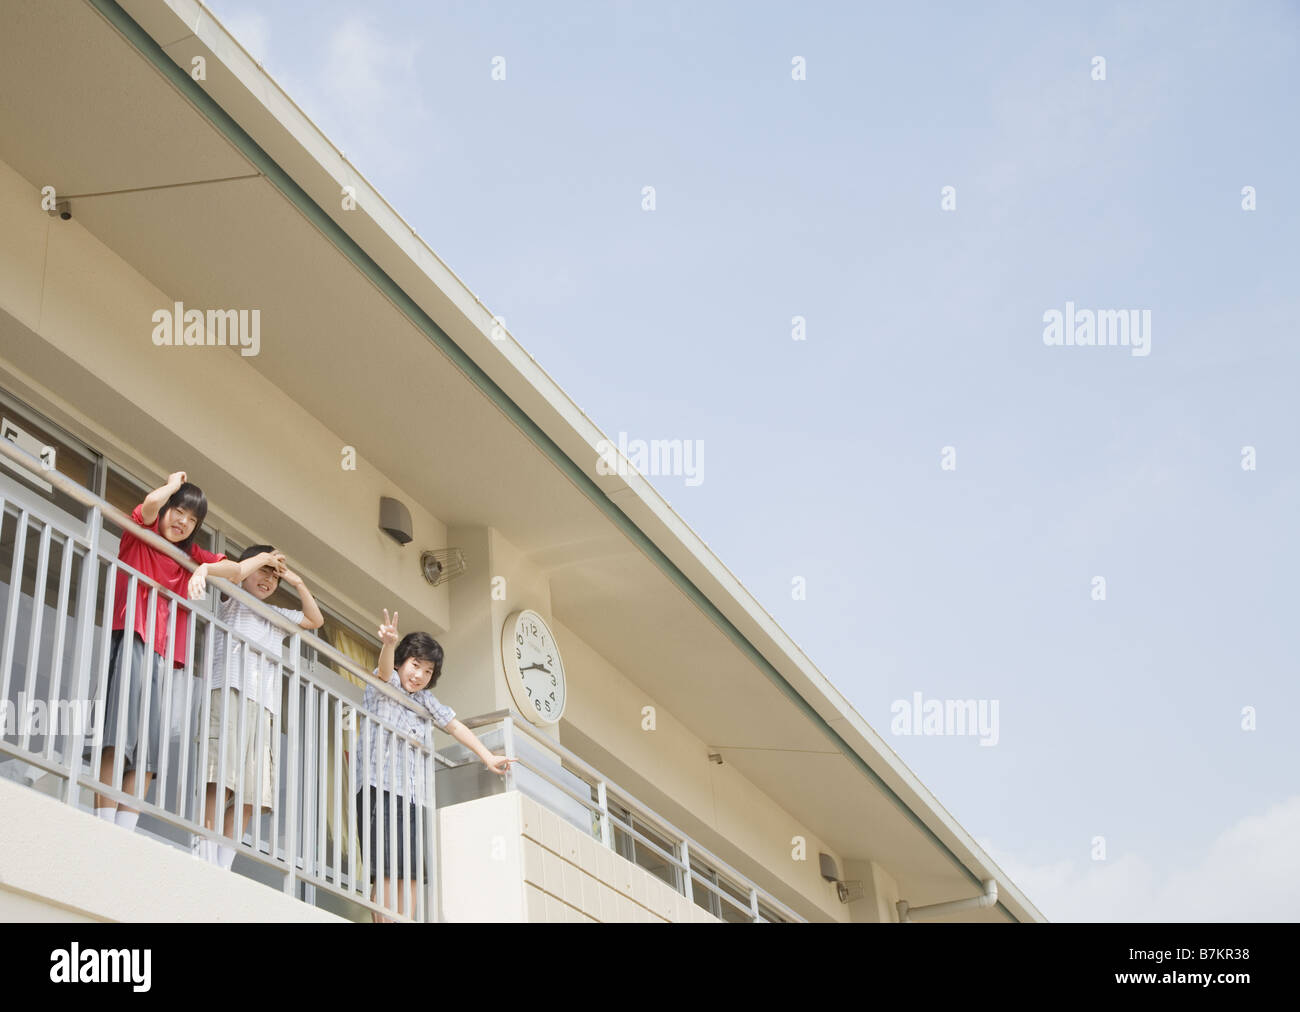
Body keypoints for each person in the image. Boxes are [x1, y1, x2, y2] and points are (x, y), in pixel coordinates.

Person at [92, 470, 246, 831]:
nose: (183, 522)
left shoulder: (188, 555)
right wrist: (172, 487)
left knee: (149, 746)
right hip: (133, 635)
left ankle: (124, 829)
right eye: (178, 511)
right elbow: (148, 507)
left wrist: (204, 571)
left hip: (164, 655)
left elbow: (237, 570)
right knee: (120, 732)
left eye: (193, 519)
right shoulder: (141, 535)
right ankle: (102, 824)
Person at [358, 609, 512, 921]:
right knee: (388, 870)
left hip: (414, 797)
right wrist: (388, 644)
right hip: (381, 788)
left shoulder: (426, 700)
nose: (419, 675)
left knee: (412, 872)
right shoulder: (386, 683)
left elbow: (454, 726)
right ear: (403, 661)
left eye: (427, 672)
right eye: (415, 665)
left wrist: (487, 756)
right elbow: (385, 670)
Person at [195, 544, 324, 869]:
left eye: (274, 577)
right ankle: (204, 851)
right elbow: (233, 571)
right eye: (264, 572)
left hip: (263, 706)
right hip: (229, 691)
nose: (268, 579)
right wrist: (264, 559)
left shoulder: (277, 616)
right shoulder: (234, 594)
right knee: (220, 778)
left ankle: (223, 862)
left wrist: (296, 582)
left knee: (252, 794)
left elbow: (314, 618)